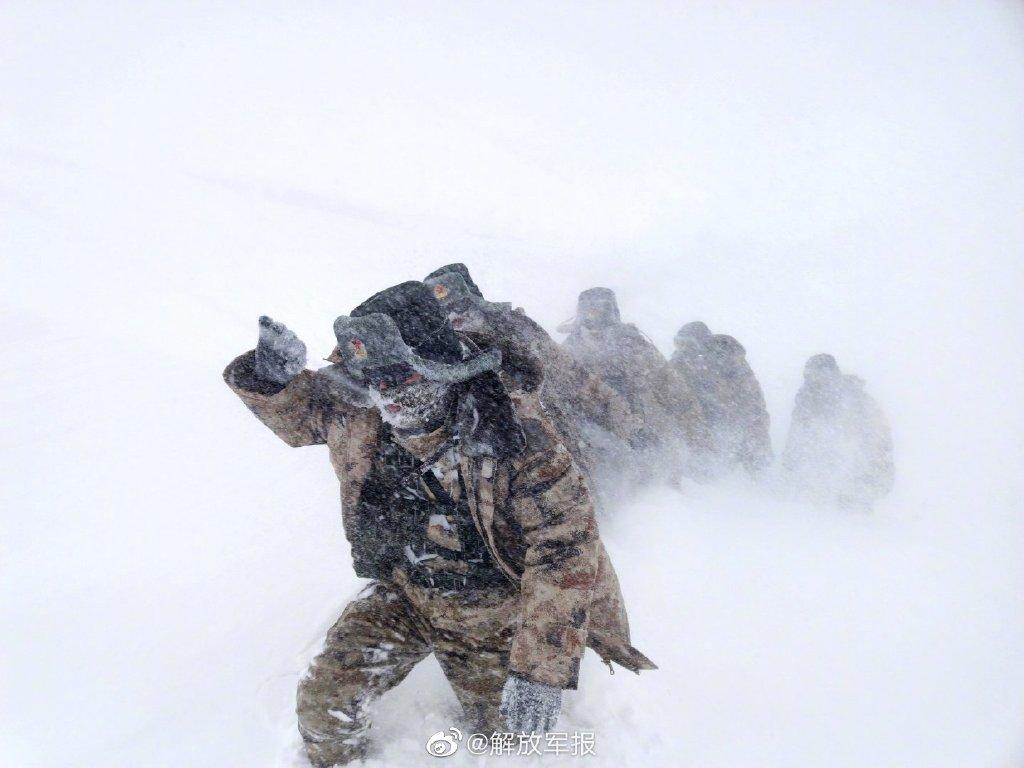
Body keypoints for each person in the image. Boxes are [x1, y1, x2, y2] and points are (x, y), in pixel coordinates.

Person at [223, 282, 654, 767]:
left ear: (445, 373)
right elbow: (300, 416)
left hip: (494, 611)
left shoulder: (519, 439)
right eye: (375, 382)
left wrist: (540, 671)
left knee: (506, 742)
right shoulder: (358, 413)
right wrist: (269, 379)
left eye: (402, 380)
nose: (388, 398)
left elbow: (566, 553)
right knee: (325, 708)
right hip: (405, 592)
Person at [424, 264, 642, 505]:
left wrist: (630, 426)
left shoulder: (518, 329)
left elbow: (575, 378)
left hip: (562, 451)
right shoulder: (433, 363)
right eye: (445, 312)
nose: (455, 317)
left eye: (460, 305)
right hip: (495, 484)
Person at [559, 287, 714, 483]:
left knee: (663, 504)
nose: (594, 320)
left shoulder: (638, 350)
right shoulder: (567, 355)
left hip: (653, 450)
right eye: (589, 312)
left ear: (612, 315)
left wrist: (701, 447)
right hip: (597, 458)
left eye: (600, 312)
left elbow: (680, 399)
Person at [781, 353, 894, 510]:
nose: (815, 382)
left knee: (851, 519)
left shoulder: (856, 400)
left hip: (855, 477)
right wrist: (790, 464)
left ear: (832, 375)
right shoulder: (806, 402)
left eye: (819, 376)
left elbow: (879, 439)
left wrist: (875, 474)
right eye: (810, 376)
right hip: (819, 481)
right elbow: (796, 436)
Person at [671, 321, 773, 476]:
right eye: (680, 345)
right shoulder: (680, 363)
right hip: (700, 422)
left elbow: (753, 403)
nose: (683, 350)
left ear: (701, 345)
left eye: (688, 345)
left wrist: (754, 441)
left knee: (752, 459)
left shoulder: (729, 362)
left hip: (730, 420)